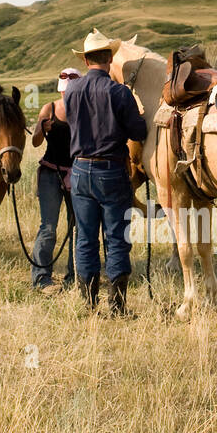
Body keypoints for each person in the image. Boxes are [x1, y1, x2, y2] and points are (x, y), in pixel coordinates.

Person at [63, 29, 147, 315]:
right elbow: (139, 131)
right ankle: (117, 305)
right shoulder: (119, 92)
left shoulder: (72, 91)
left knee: (85, 237)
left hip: (79, 170)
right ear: (110, 58)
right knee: (116, 237)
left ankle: (89, 304)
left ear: (86, 61)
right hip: (111, 170)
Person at [28, 68, 80, 290]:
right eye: (64, 91)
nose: (66, 95)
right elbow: (36, 142)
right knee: (48, 227)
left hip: (77, 172)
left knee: (76, 228)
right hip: (51, 172)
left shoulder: (85, 111)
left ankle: (73, 277)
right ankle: (41, 277)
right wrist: (41, 127)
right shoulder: (48, 109)